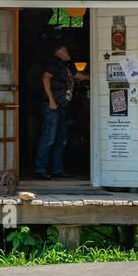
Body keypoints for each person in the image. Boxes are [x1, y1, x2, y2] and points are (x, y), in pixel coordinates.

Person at [33, 40, 85, 179]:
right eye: (65, 49)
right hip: (51, 106)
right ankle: (40, 169)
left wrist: (98, 77)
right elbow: (46, 78)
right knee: (48, 138)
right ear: (59, 51)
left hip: (62, 106)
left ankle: (57, 169)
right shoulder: (53, 62)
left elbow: (77, 75)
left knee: (61, 139)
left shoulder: (66, 65)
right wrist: (51, 100)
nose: (68, 52)